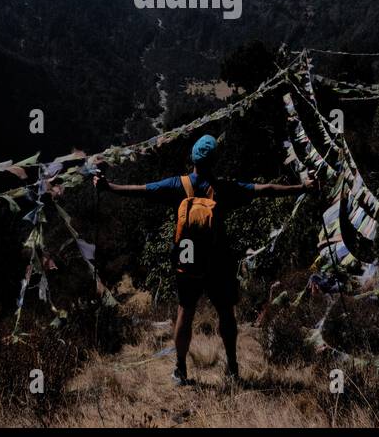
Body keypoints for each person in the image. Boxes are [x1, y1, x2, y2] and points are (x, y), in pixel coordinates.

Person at [93, 133, 308, 386]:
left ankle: (181, 370)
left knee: (185, 311)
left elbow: (142, 190)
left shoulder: (177, 185)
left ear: (192, 159)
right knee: (226, 313)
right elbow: (266, 190)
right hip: (218, 261)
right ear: (215, 160)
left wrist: (109, 187)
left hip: (187, 258)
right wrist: (302, 188)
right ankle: (232, 366)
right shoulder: (226, 189)